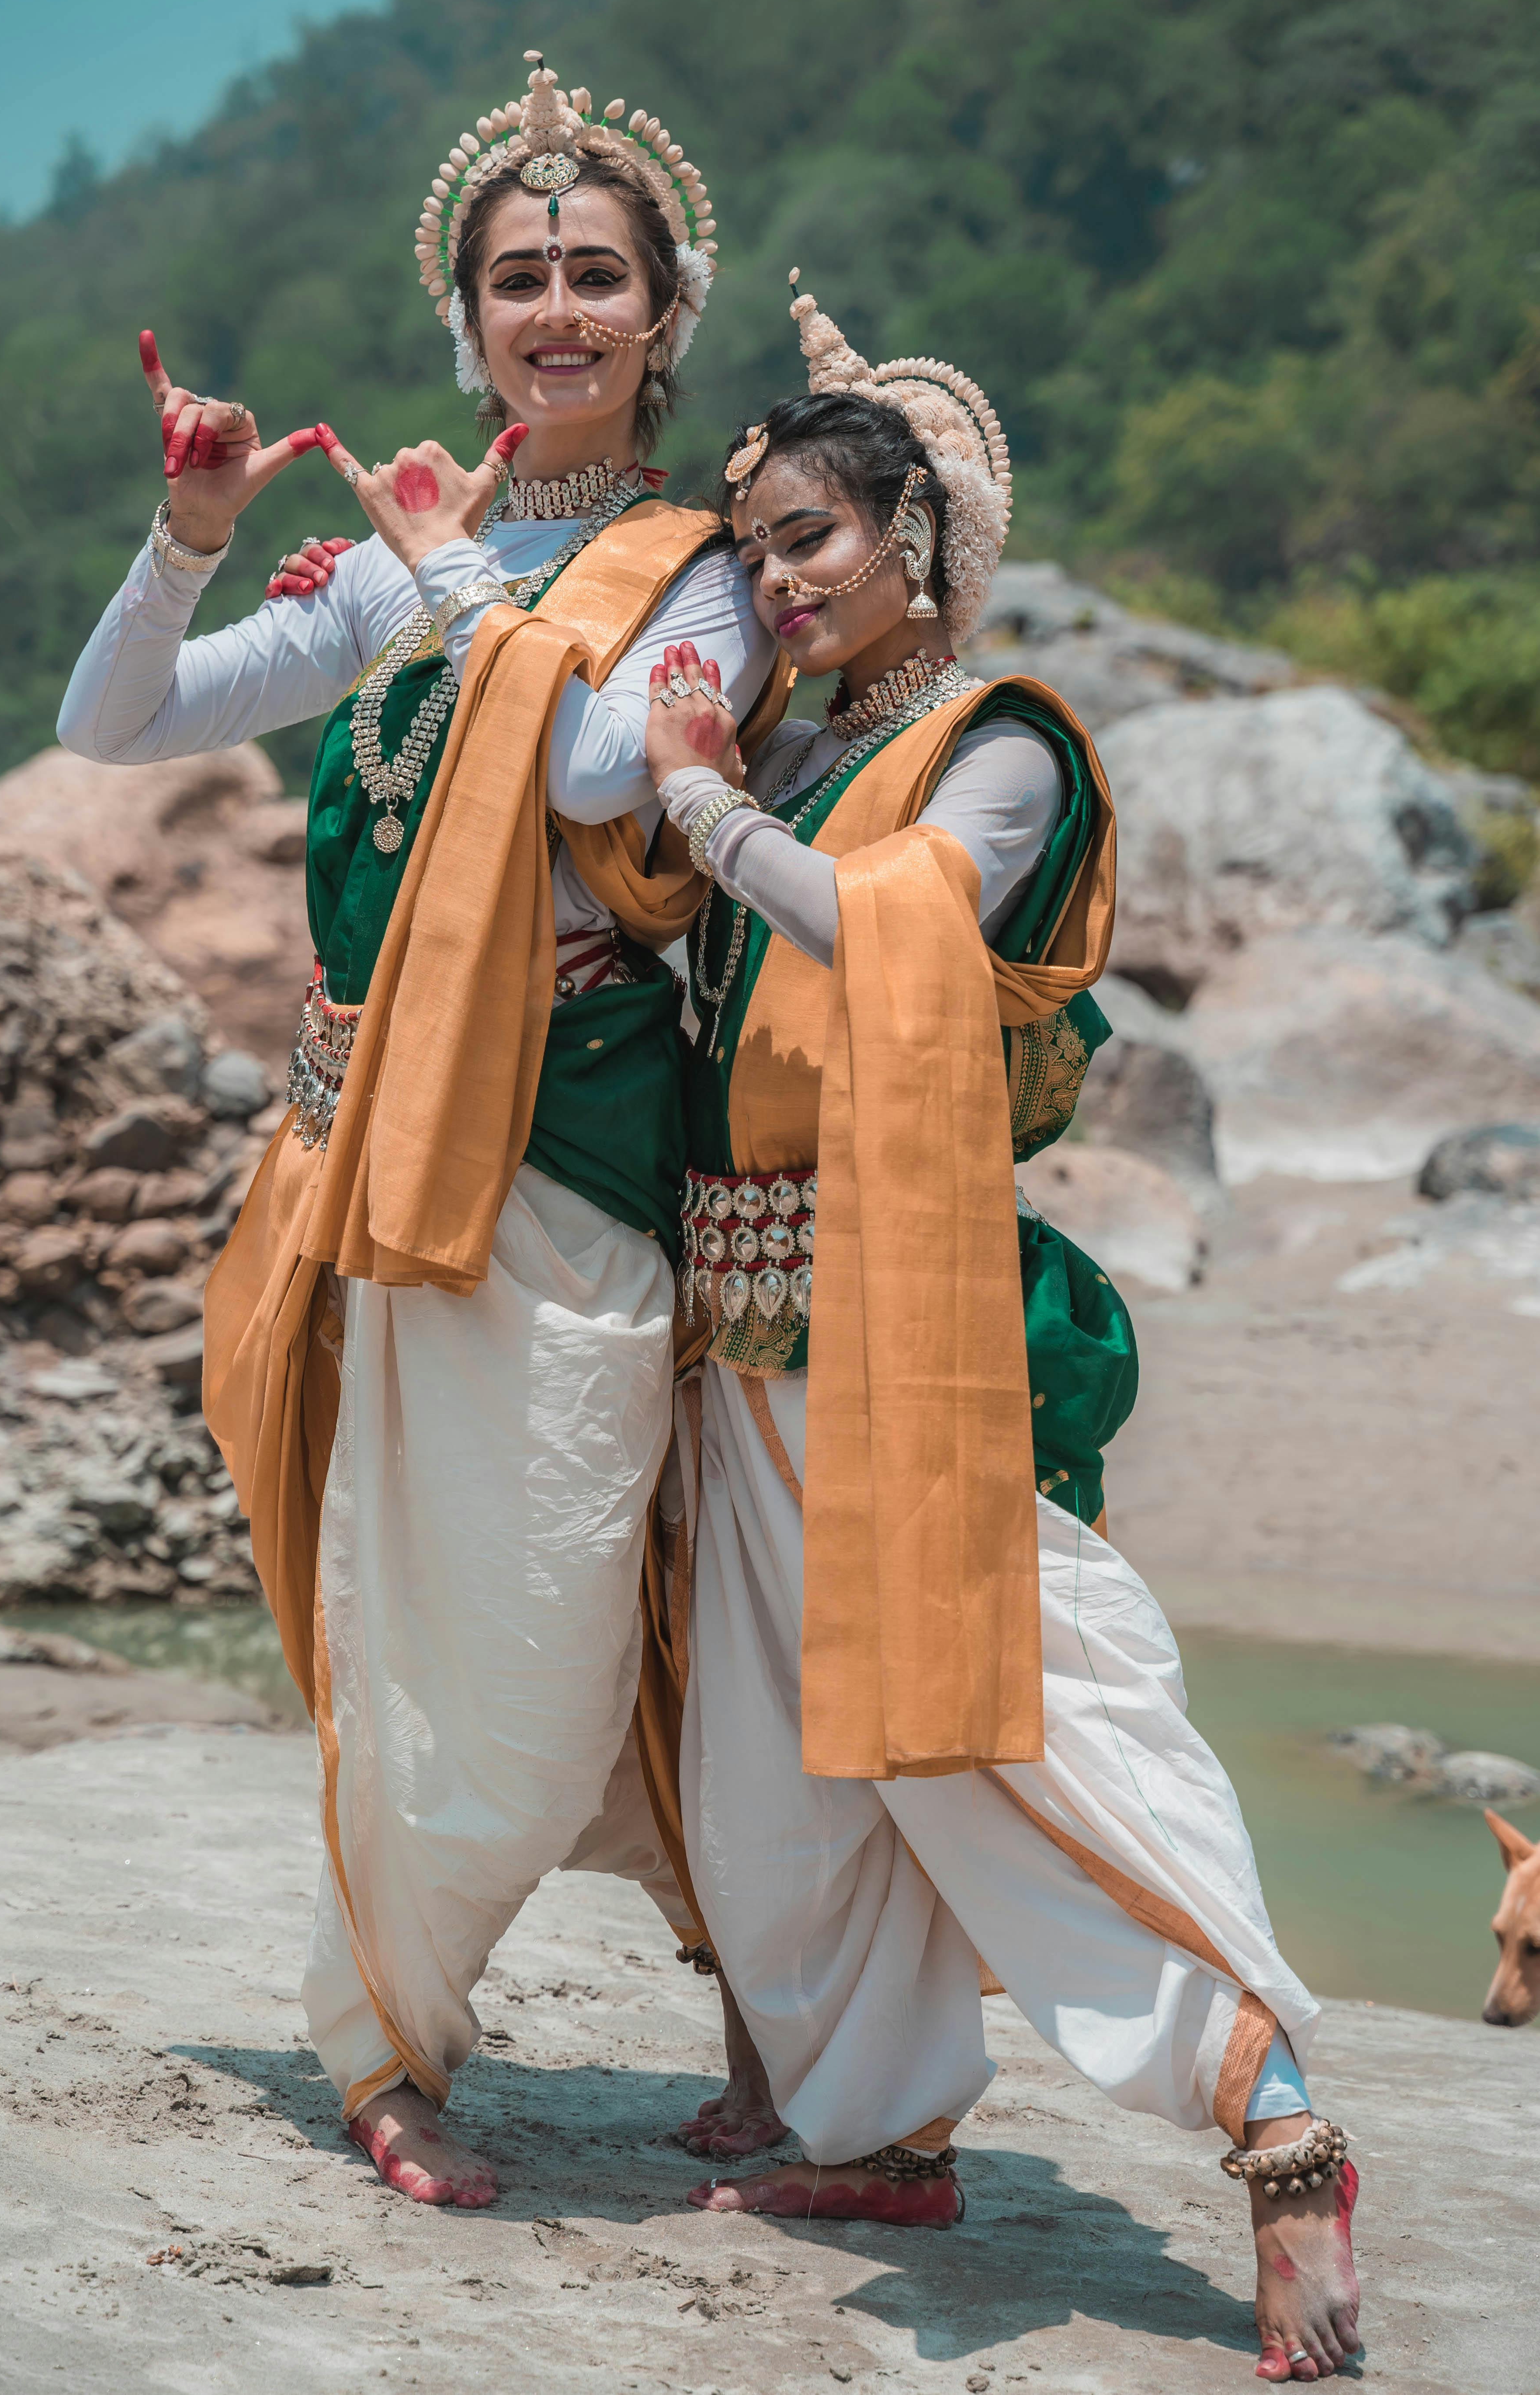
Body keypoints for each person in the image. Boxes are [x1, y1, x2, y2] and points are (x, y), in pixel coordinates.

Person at [59, 55, 789, 2212]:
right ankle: (392, 2044)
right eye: (514, 281)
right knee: (403, 1612)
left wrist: (454, 571)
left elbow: (593, 780)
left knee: (585, 1607)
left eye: (593, 276)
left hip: (578, 1152)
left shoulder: (707, 574)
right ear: (464, 323)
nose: (552, 310)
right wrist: (188, 537)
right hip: (367, 1158)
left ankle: (762, 2009)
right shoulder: (391, 575)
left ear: (665, 318)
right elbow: (116, 723)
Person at [630, 283, 1363, 2385]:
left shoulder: (1004, 744)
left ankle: (1268, 2110)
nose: (778, 576)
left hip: (902, 1319)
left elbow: (903, 935)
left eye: (815, 537)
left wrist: (701, 812)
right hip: (740, 1310)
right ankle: (875, 2134)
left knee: (1019, 1715)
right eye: (755, 543)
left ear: (922, 542)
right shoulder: (793, 739)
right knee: (771, 1766)